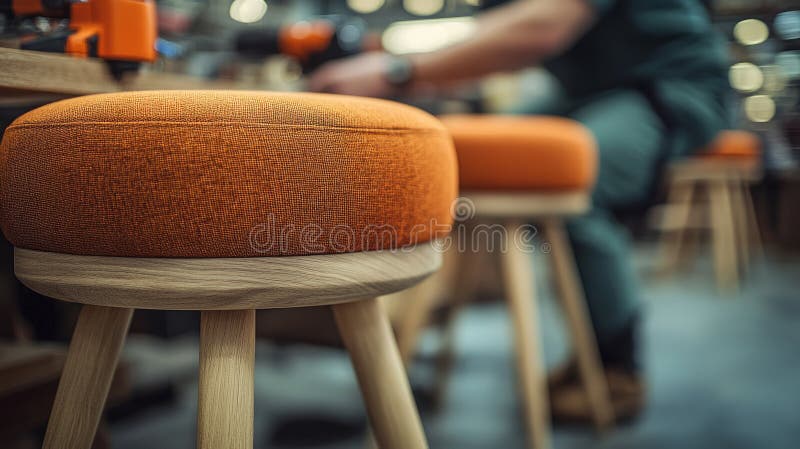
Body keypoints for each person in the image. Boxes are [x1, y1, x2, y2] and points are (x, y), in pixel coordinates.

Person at [309, 0, 730, 423]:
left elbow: (541, 28)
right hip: (586, 93)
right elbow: (496, 31)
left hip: (667, 85)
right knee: (467, 155)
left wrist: (397, 72)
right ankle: (411, 321)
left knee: (580, 180)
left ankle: (615, 368)